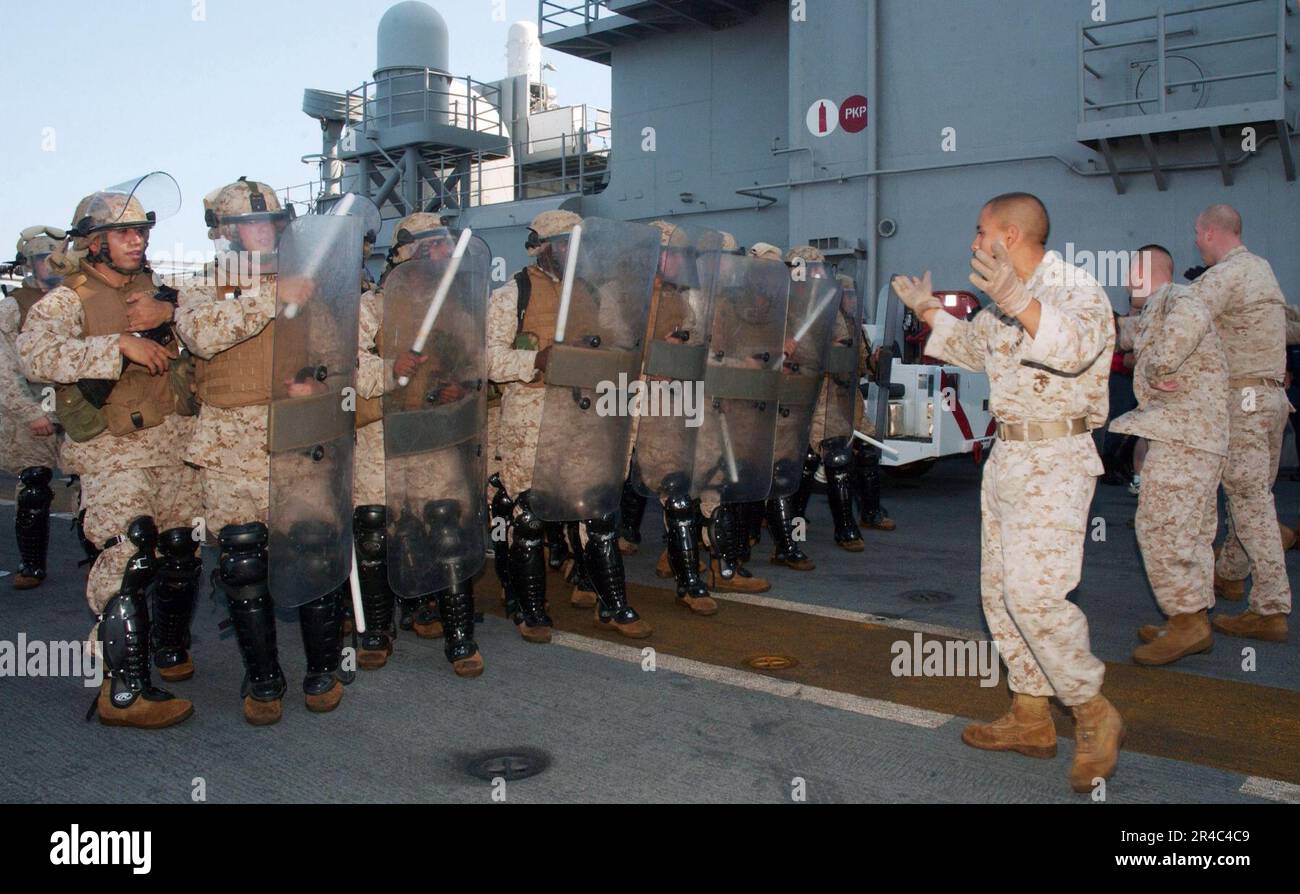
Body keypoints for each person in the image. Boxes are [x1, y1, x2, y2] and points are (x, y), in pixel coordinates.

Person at [892, 192, 1122, 793]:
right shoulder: (1000, 305)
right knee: (999, 593)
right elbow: (975, 349)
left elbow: (1074, 350)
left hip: (1055, 457)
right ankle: (1030, 716)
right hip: (1009, 457)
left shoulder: (1075, 288)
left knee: (1035, 594)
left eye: (980, 231)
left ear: (1012, 235)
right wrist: (927, 311)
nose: (973, 242)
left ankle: (1093, 711)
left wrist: (1020, 301)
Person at [18, 180, 199, 729]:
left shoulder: (161, 289)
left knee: (180, 551)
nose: (136, 240)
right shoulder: (68, 298)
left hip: (172, 442)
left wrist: (172, 315)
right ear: (93, 242)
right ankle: (123, 692)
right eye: (122, 232)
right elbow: (36, 357)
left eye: (141, 230)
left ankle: (170, 649)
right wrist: (116, 344)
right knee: (130, 553)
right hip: (113, 449)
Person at [175, 177, 353, 725]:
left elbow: (332, 354)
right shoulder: (203, 285)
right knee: (244, 561)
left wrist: (315, 380)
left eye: (271, 222)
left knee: (313, 547)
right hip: (232, 444)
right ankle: (263, 678)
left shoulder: (309, 285)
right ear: (224, 234)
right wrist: (270, 298)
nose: (263, 232)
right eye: (249, 224)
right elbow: (202, 336)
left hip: (298, 436)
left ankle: (322, 669)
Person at [486, 210, 653, 641]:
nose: (571, 253)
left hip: (584, 419)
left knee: (597, 513)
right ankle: (531, 610)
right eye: (562, 244)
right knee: (528, 518)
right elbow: (487, 362)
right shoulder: (512, 295)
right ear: (541, 247)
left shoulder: (596, 294)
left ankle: (612, 604)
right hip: (531, 424)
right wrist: (534, 360)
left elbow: (623, 346)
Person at [352, 213, 485, 677]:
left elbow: (473, 367)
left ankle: (460, 636)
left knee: (447, 525)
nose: (446, 255)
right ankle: (376, 630)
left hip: (431, 431)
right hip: (379, 430)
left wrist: (461, 387)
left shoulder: (457, 310)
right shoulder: (369, 308)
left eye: (448, 247)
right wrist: (392, 368)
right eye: (435, 247)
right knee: (373, 529)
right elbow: (344, 370)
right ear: (407, 253)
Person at [1151, 205, 1291, 642]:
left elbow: (1185, 318)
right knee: (1251, 494)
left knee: (1250, 502)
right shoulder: (1262, 269)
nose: (1195, 241)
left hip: (1243, 401)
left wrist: (1160, 368)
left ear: (1211, 232)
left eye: (1197, 233)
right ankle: (1230, 573)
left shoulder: (1227, 274)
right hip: (1271, 399)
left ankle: (1270, 608)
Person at [1111, 245, 1227, 665]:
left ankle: (1188, 623)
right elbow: (1119, 334)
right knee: (1190, 531)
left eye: (1129, 272)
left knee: (1162, 524)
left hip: (1186, 435)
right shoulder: (1153, 313)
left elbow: (1183, 329)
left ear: (1144, 270)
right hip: (1193, 435)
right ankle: (1190, 619)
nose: (1126, 282)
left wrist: (1159, 369)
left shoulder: (1178, 298)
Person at [1, 227, 66, 590]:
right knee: (36, 485)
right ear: (30, 263)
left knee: (91, 484)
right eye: (44, 259)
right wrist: (30, 413)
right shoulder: (13, 307)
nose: (51, 265)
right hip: (34, 405)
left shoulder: (74, 299)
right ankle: (32, 565)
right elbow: (4, 370)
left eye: (57, 257)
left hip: (75, 405)